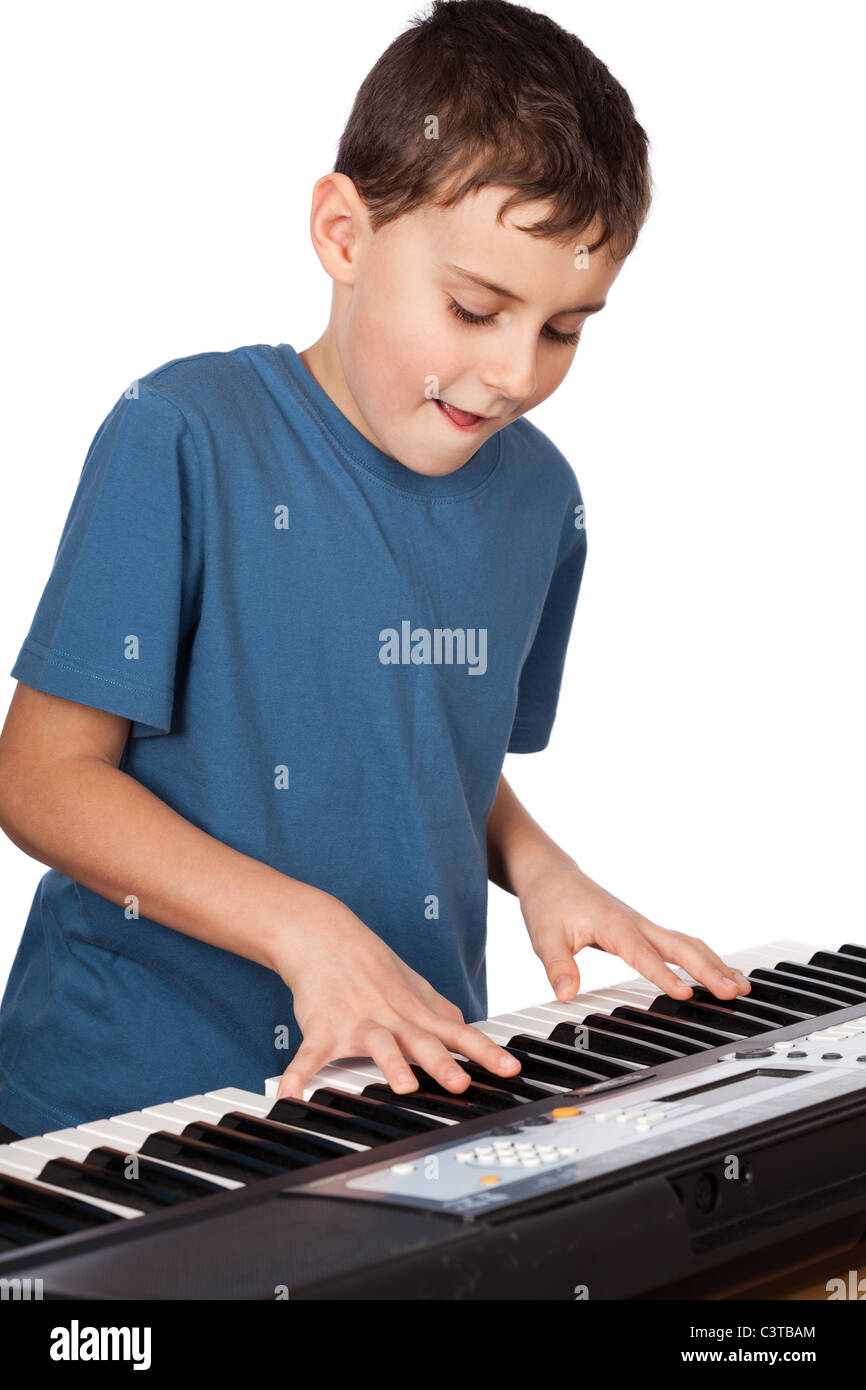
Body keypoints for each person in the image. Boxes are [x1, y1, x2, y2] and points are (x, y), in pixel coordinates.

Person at [0, 0, 749, 1141]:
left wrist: (540, 869)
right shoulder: (184, 433)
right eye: (474, 307)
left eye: (563, 330)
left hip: (382, 1102)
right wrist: (308, 930)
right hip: (109, 1116)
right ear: (344, 235)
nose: (510, 373)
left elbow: (425, 749)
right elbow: (41, 778)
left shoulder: (542, 498)